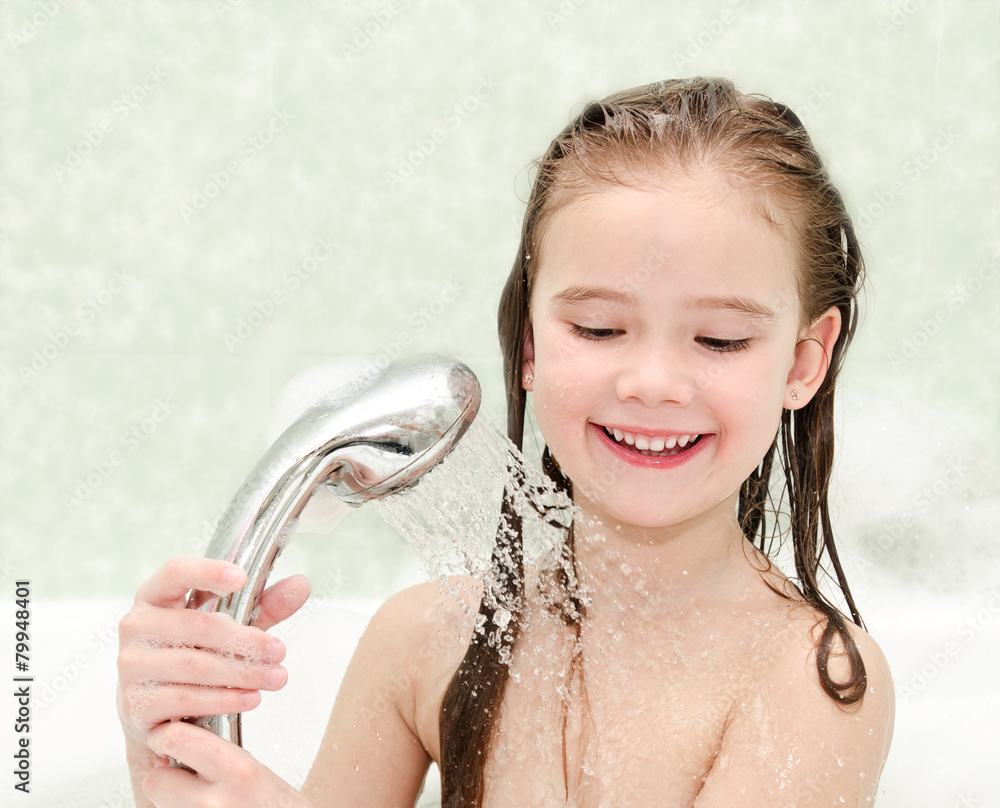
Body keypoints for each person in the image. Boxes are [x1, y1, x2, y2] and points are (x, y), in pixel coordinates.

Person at [117, 77, 894, 807]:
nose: (653, 382)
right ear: (528, 346)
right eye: (598, 328)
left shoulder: (809, 680)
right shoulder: (425, 643)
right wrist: (176, 747)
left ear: (802, 362)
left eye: (720, 340)